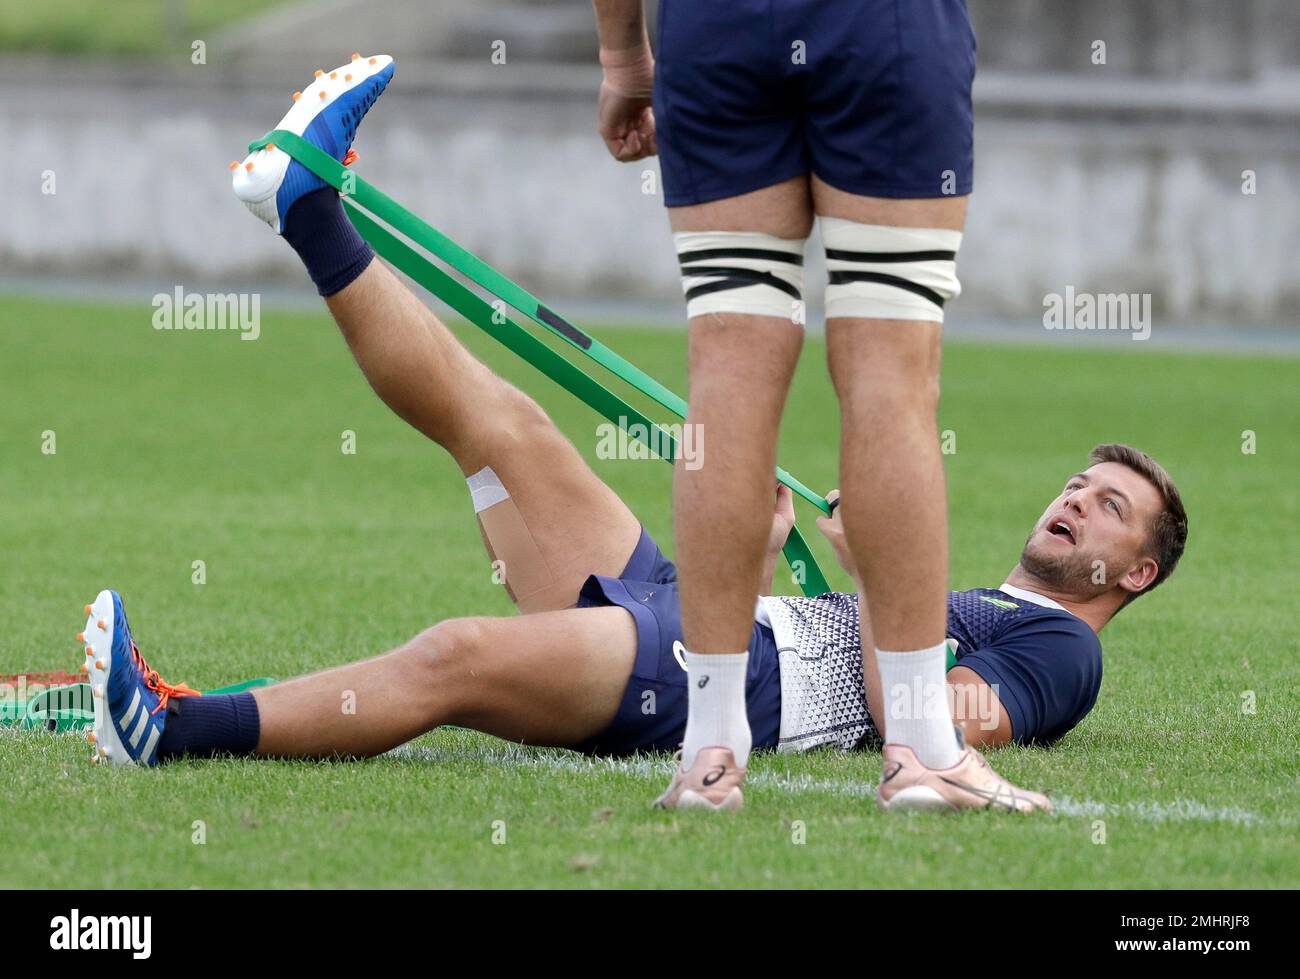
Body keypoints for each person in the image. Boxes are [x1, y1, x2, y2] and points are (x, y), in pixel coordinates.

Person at [77, 55, 1187, 817]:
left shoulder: (1065, 650)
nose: (1076, 500)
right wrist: (761, 566)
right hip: (697, 617)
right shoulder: (991, 596)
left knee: (452, 656)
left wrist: (868, 569)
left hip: (718, 677)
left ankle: (171, 728)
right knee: (503, 423)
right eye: (1083, 483)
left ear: (1131, 571)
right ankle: (305, 207)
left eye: (1109, 508)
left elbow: (957, 722)